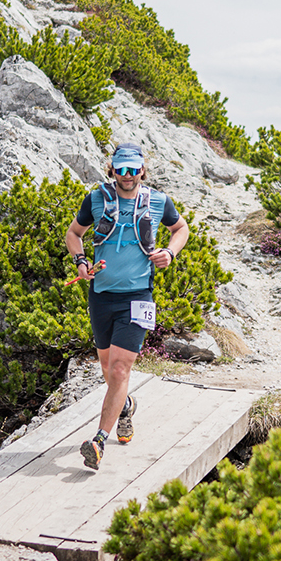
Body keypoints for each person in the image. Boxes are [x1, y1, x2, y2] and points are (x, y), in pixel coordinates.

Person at [64, 143, 189, 470]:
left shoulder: (159, 202)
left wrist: (170, 253)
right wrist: (80, 261)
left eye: (134, 170)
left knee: (120, 369)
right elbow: (74, 234)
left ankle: (98, 442)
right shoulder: (96, 199)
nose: (128, 176)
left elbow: (181, 229)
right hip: (101, 296)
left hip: (138, 298)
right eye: (122, 169)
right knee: (108, 370)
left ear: (142, 171)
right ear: (113, 169)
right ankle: (124, 407)